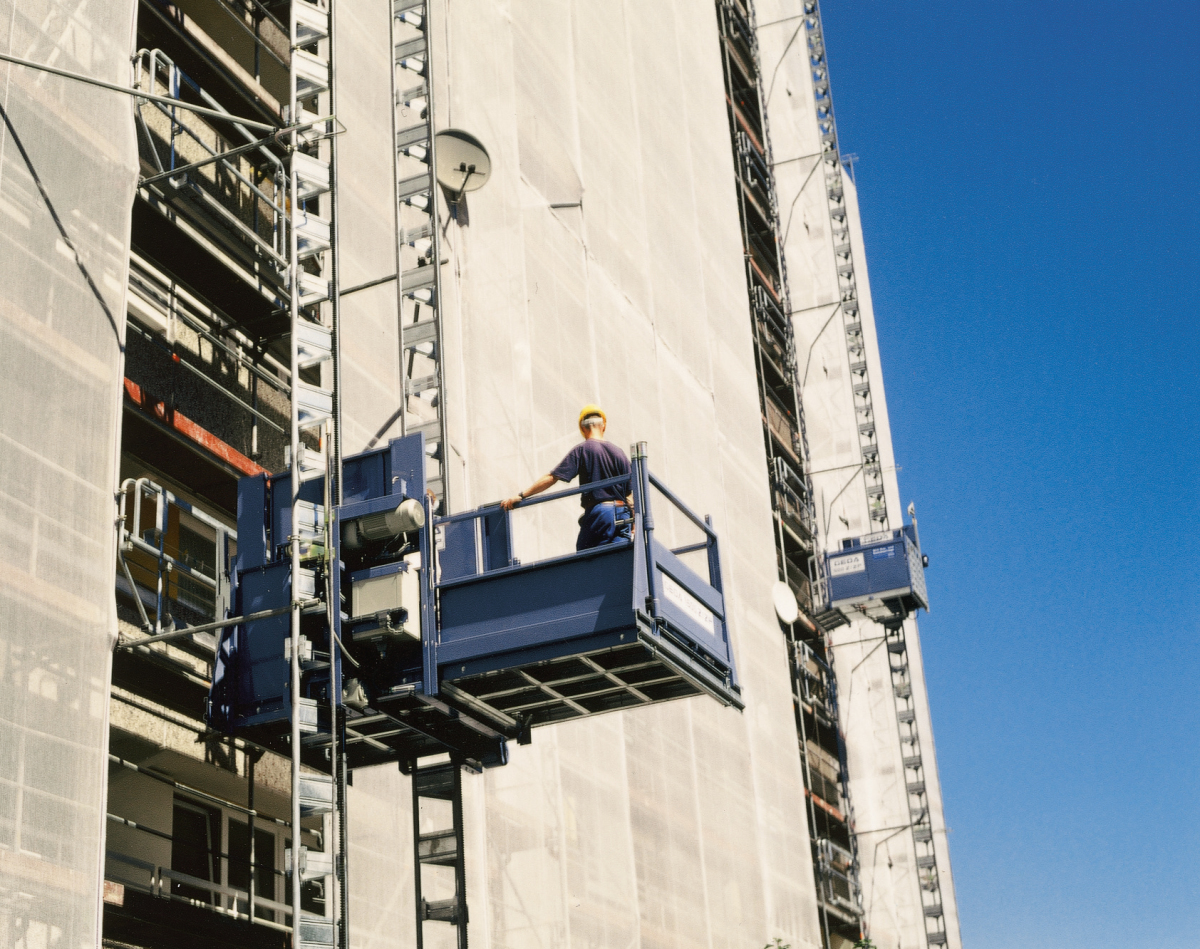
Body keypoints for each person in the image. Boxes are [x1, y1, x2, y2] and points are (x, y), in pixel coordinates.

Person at [501, 405, 634, 550]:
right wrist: (633, 521)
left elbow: (552, 477)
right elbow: (629, 496)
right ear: (604, 426)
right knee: (622, 557)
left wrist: (521, 495)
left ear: (582, 428)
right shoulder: (619, 453)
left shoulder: (583, 449)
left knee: (586, 556)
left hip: (600, 514)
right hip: (623, 512)